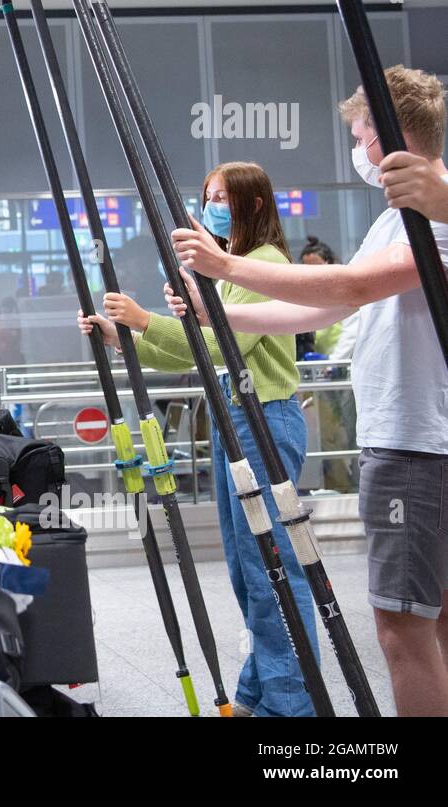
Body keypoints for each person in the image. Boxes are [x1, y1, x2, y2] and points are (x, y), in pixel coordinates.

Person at [169, 65, 448, 716]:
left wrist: (225, 268)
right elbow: (319, 314)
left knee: (402, 629)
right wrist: (219, 310)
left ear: (389, 135)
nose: (357, 149)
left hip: (415, 444)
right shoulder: (392, 223)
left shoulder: (427, 219)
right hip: (407, 439)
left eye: (360, 134)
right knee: (428, 622)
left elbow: (343, 290)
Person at [80, 160, 318, 718]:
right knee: (248, 570)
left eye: (219, 197)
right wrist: (127, 337)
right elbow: (196, 354)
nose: (210, 205)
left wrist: (145, 321)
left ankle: (291, 706)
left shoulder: (264, 264)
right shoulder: (234, 271)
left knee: (272, 568)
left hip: (264, 422)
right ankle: (261, 694)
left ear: (252, 203)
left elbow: (218, 348)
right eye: (206, 194)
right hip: (234, 421)